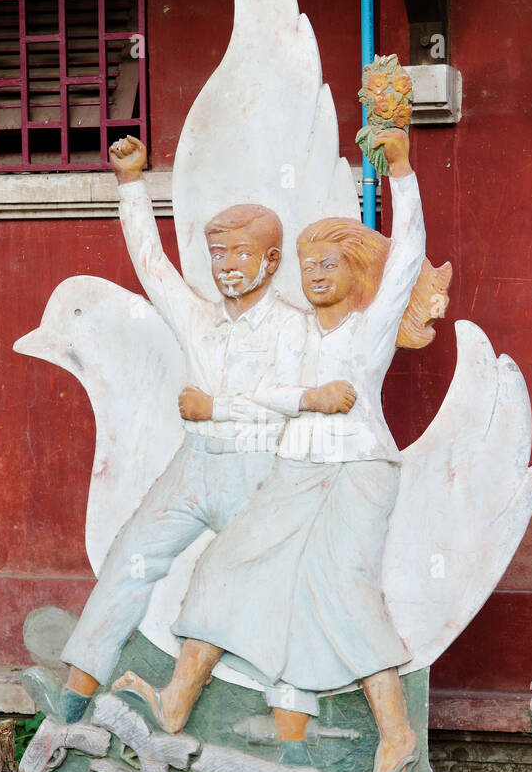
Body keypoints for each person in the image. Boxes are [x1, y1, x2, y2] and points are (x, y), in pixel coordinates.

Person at [113, 128, 431, 772]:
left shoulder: (367, 331)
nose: (315, 273)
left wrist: (399, 170)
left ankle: (397, 735)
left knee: (343, 590)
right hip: (295, 470)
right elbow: (266, 400)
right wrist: (131, 189)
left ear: (356, 278)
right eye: (307, 264)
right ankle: (176, 698)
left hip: (357, 472)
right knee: (224, 564)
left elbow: (406, 257)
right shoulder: (291, 330)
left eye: (329, 265)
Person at [23, 135, 357, 727]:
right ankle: (74, 698)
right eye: (217, 255)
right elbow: (151, 263)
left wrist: (217, 406)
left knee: (277, 585)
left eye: (238, 254)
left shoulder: (293, 328)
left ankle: (294, 728)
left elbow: (294, 405)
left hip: (259, 471)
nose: (225, 266)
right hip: (194, 465)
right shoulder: (198, 319)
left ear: (271, 262)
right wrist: (130, 183)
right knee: (131, 557)